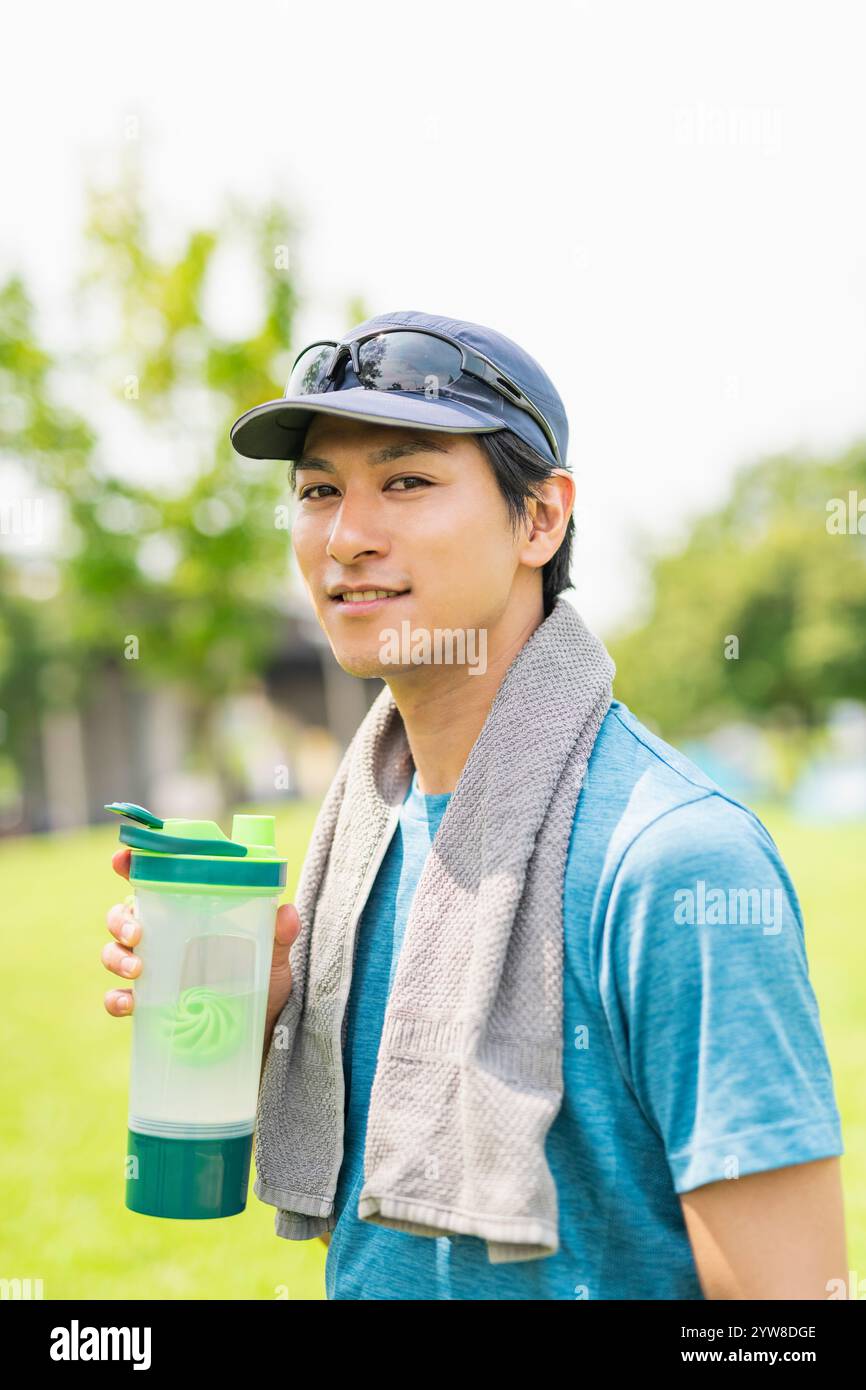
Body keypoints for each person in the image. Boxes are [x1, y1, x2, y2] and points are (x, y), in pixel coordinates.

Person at [103, 309, 847, 1300]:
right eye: (318, 490)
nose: (347, 536)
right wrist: (265, 1014)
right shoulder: (358, 848)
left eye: (405, 481)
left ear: (539, 519)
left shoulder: (674, 862)